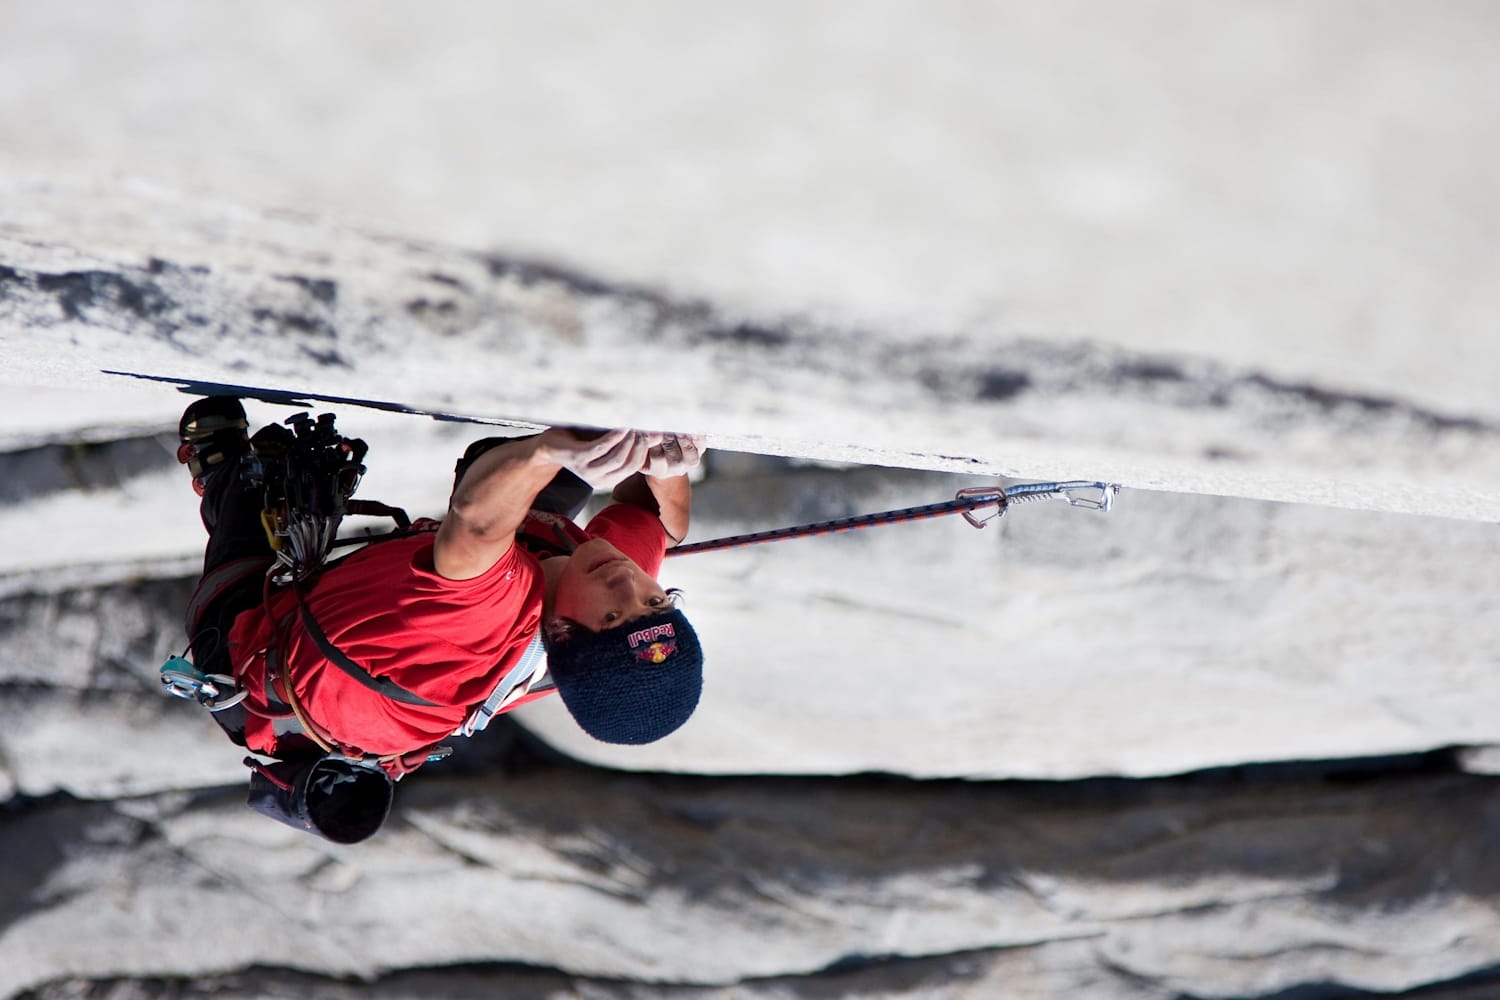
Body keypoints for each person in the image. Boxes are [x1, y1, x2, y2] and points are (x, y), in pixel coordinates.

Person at [177, 396, 705, 838]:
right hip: (382, 637)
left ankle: (225, 474)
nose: (630, 582)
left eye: (616, 613)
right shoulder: (604, 599)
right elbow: (657, 522)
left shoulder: (483, 618)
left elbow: (476, 523)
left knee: (245, 508)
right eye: (657, 602)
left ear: (562, 632)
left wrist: (549, 449)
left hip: (257, 659)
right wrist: (670, 464)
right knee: (537, 470)